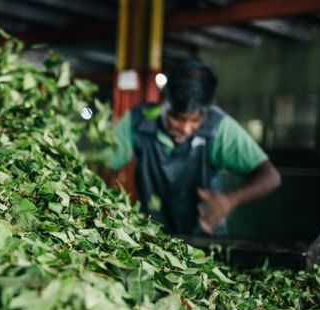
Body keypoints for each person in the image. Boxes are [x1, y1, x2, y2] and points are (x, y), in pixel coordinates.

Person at [102, 59, 281, 235]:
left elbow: (270, 176)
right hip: (152, 236)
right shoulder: (137, 121)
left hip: (204, 238)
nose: (186, 129)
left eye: (196, 120)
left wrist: (229, 200)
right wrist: (103, 203)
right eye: (177, 118)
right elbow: (103, 166)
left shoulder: (219, 128)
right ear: (162, 101)